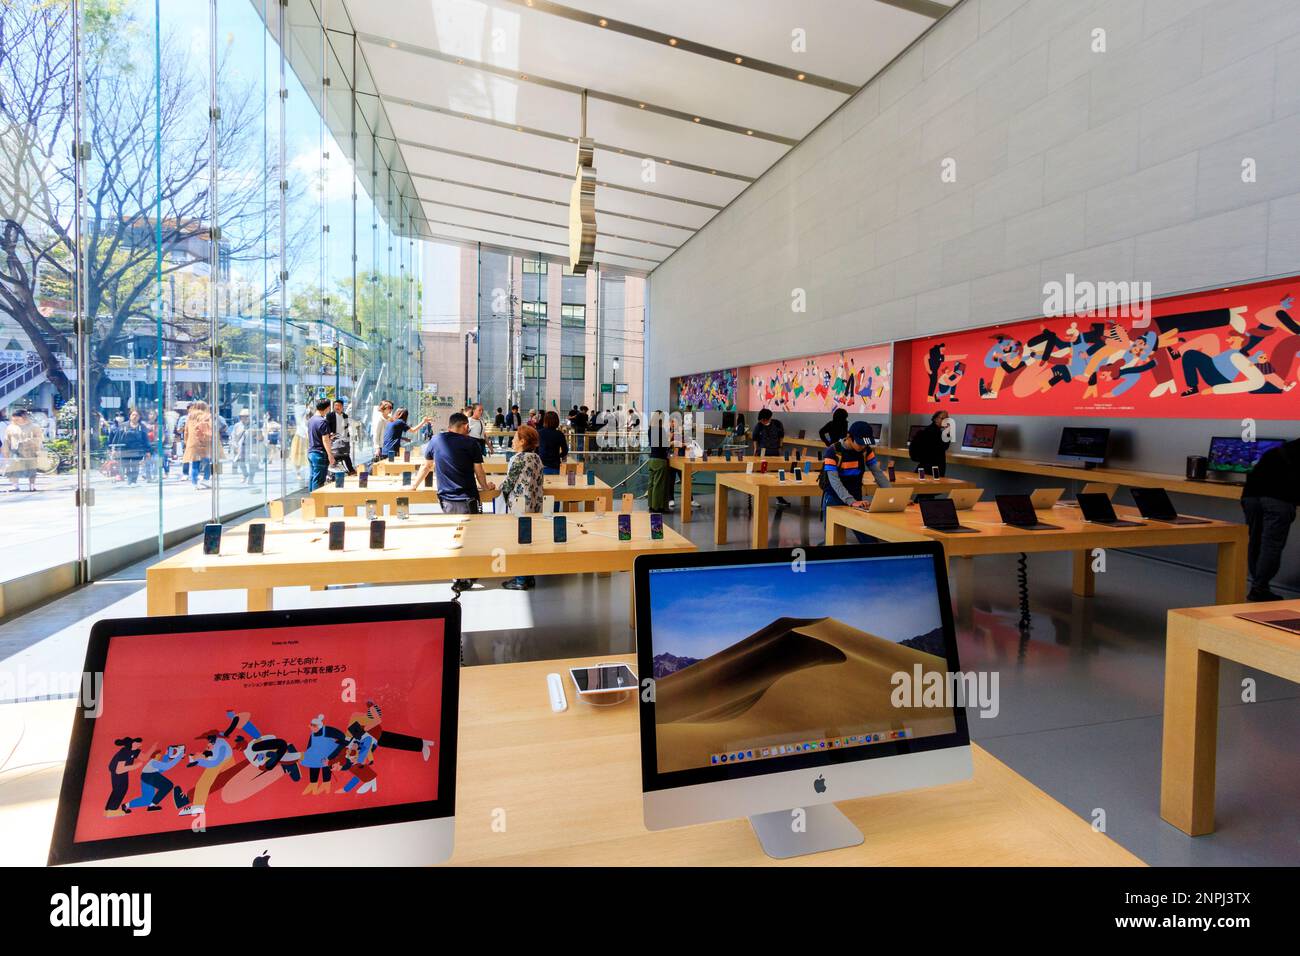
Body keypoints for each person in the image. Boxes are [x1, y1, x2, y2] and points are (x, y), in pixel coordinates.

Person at [1240, 437, 1300, 601]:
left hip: (1251, 496)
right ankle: (1259, 588)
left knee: (1256, 541)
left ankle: (1259, 585)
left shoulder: (1283, 449)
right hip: (1278, 499)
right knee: (1271, 544)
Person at [820, 421, 892, 544]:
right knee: (832, 541)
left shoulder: (866, 451)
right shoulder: (833, 452)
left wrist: (892, 495)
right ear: (849, 437)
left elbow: (878, 473)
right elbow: (835, 482)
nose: (863, 446)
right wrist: (851, 501)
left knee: (868, 539)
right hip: (834, 498)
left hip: (857, 498)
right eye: (860, 443)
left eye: (866, 444)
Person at [498, 424, 544, 590]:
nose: (512, 440)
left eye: (515, 438)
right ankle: (529, 575)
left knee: (519, 541)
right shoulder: (536, 458)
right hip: (535, 504)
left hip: (519, 505)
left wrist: (496, 487)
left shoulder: (517, 459)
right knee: (529, 540)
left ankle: (520, 579)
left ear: (522, 441)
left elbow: (509, 483)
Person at [908, 410, 951, 478]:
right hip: (935, 470)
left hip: (922, 467)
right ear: (936, 419)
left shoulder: (925, 430)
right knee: (934, 486)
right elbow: (945, 446)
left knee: (920, 484)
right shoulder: (937, 433)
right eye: (943, 418)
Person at [114, 409, 151, 486]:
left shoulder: (142, 427)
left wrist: (148, 451)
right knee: (126, 465)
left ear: (139, 417)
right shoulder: (123, 426)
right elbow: (117, 438)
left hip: (137, 450)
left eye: (136, 415)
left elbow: (146, 440)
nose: (135, 417)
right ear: (130, 416)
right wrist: (114, 449)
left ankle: (133, 481)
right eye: (133, 415)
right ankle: (129, 479)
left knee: (135, 465)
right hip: (125, 450)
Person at [183, 400, 214, 490]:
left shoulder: (189, 417)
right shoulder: (207, 416)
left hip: (192, 443)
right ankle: (206, 479)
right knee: (207, 463)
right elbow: (209, 431)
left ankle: (194, 483)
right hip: (204, 443)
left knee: (195, 464)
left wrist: (186, 443)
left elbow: (186, 431)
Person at [646, 410, 672, 513]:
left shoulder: (650, 429)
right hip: (660, 460)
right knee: (659, 485)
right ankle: (658, 507)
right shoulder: (661, 430)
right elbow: (665, 446)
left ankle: (651, 506)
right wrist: (671, 440)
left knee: (651, 484)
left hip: (652, 459)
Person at [306, 398, 335, 491]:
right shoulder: (322, 421)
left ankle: (311, 502)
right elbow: (325, 440)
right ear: (326, 408)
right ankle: (317, 503)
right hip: (320, 454)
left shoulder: (311, 420)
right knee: (319, 480)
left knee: (312, 477)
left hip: (311, 452)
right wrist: (330, 455)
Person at [229, 409, 261, 485]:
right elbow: (233, 436)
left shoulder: (254, 426)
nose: (245, 418)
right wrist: (234, 445)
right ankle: (245, 475)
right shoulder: (237, 425)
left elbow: (260, 437)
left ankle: (251, 478)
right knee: (241, 462)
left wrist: (256, 435)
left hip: (251, 447)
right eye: (243, 416)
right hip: (240, 446)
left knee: (252, 463)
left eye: (246, 416)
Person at [326, 399, 354, 474]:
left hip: (343, 440)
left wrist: (347, 437)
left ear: (342, 407)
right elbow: (327, 427)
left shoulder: (345, 416)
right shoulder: (330, 415)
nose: (337, 407)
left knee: (346, 455)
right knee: (340, 456)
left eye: (339, 406)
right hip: (333, 440)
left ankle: (350, 471)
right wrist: (330, 434)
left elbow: (346, 428)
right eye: (335, 405)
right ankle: (335, 472)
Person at [536, 410, 569, 474]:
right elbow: (565, 450)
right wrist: (559, 456)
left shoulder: (539, 433)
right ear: (557, 421)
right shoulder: (560, 434)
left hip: (541, 464)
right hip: (555, 464)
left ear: (545, 421)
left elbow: (535, 449)